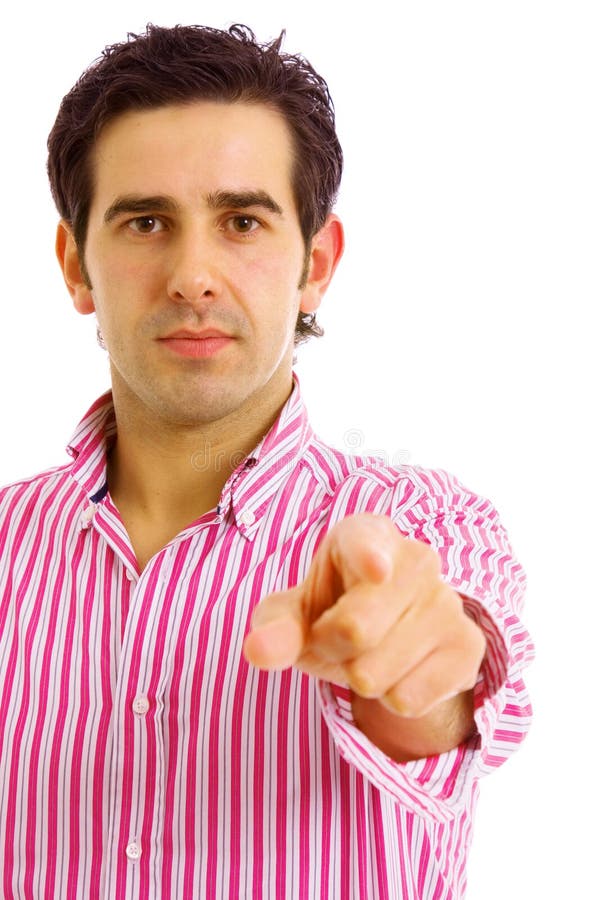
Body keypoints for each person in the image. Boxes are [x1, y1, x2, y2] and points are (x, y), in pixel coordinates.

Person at [0, 23, 533, 899]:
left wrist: (411, 668)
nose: (192, 276)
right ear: (75, 264)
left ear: (314, 264)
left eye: (241, 221)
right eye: (145, 222)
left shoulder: (426, 526)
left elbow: (444, 691)